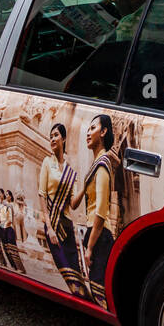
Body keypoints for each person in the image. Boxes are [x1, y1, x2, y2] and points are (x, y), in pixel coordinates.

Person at [38, 122, 87, 298]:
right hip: (53, 224)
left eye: (56, 135)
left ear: (63, 139)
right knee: (65, 270)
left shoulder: (69, 171)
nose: (52, 138)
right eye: (51, 136)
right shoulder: (46, 162)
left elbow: (73, 204)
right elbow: (42, 195)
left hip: (67, 225)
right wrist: (49, 228)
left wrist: (85, 186)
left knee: (76, 271)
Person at [79, 114, 120, 309]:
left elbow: (101, 212)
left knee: (98, 292)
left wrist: (89, 247)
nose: (88, 132)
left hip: (100, 236)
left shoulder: (103, 166)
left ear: (103, 132)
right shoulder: (95, 166)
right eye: (88, 128)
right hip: (95, 233)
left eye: (93, 128)